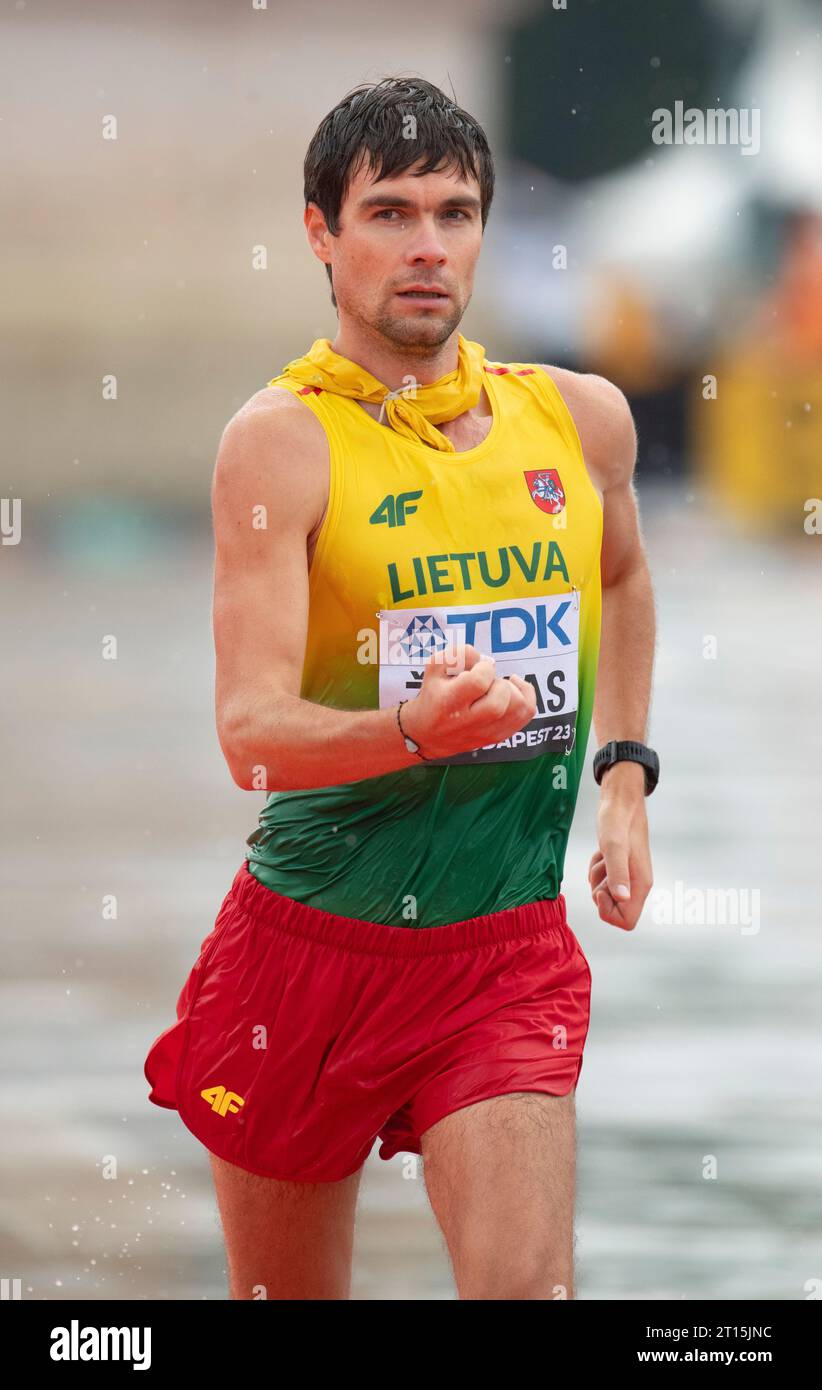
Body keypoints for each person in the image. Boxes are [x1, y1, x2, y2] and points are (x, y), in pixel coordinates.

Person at [144, 75, 658, 1301]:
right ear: (321, 233)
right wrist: (411, 733)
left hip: (504, 949)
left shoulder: (580, 422)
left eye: (455, 212)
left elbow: (627, 579)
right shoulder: (281, 441)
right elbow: (249, 739)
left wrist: (626, 780)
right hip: (307, 953)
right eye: (388, 213)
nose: (428, 247)